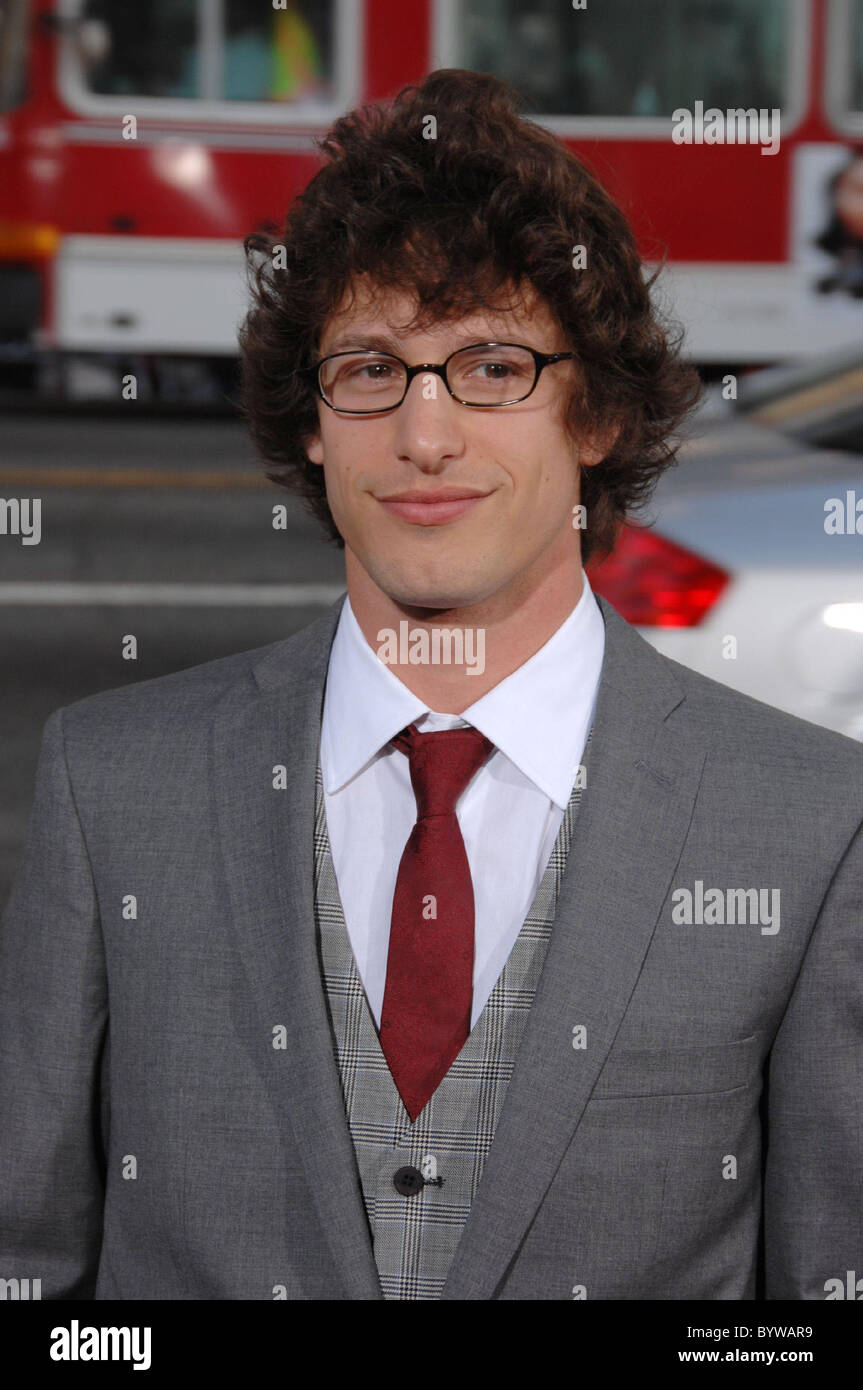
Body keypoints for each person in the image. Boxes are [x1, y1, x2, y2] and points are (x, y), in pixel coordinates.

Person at [1, 69, 861, 1302]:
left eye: (491, 367)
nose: (424, 435)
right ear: (311, 422)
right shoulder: (111, 782)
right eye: (367, 369)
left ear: (597, 413)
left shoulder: (811, 820)